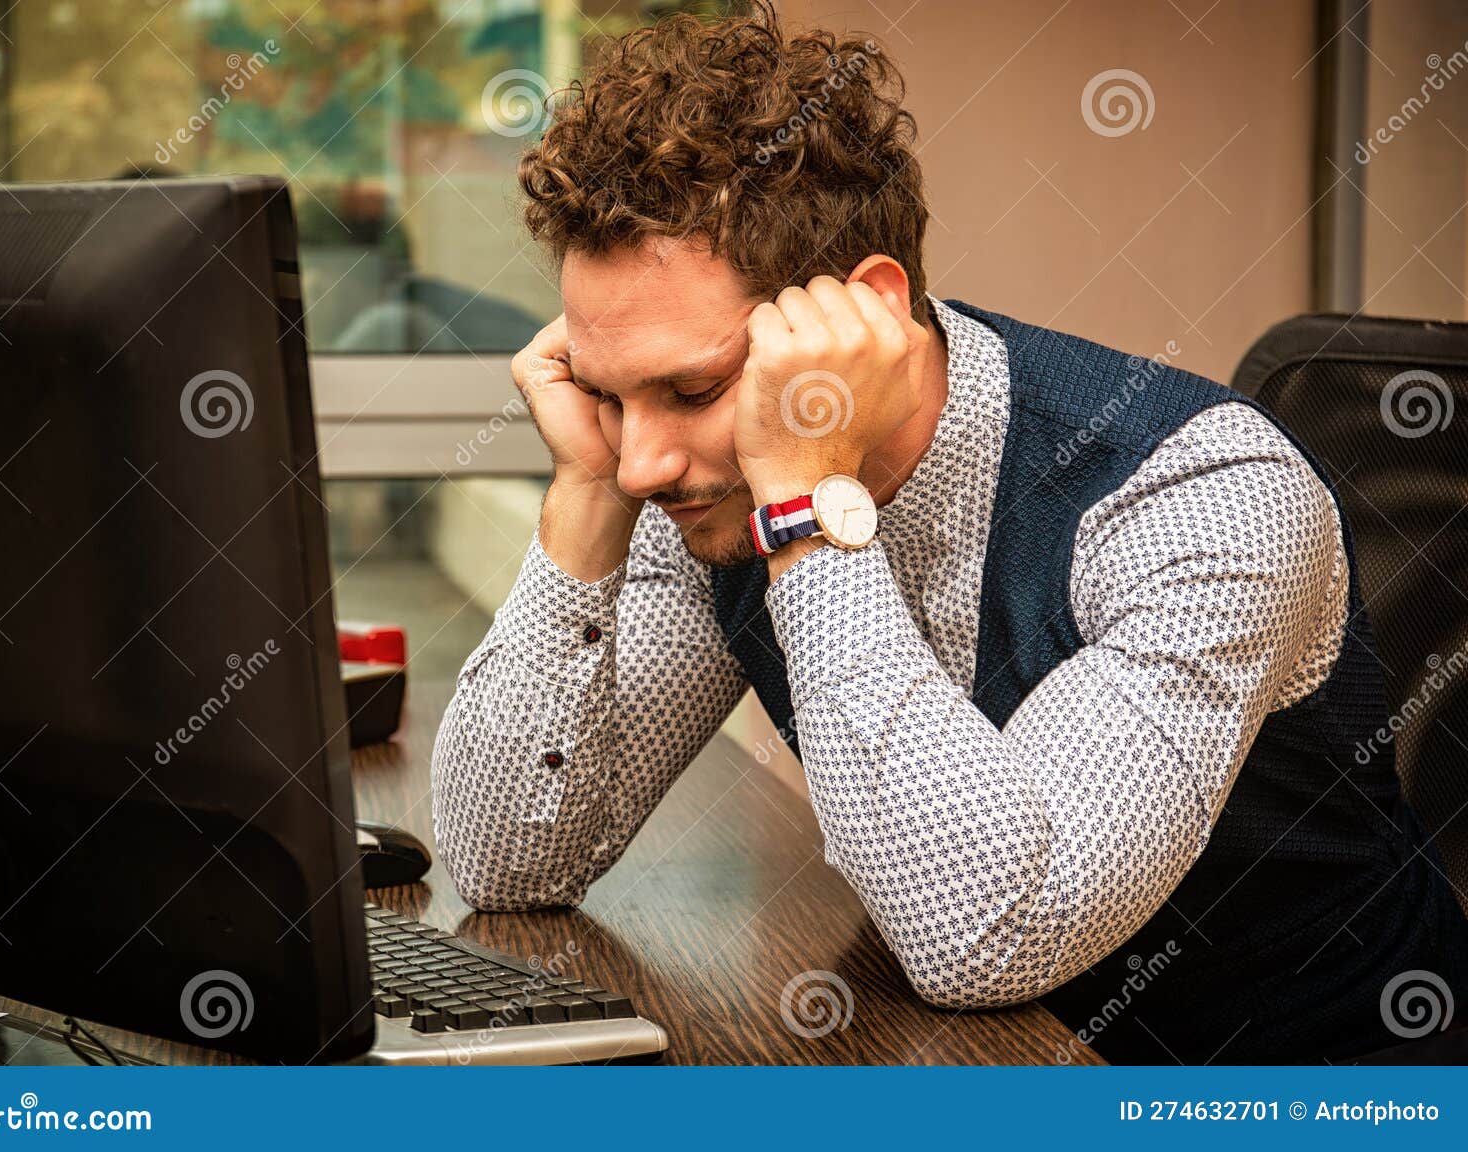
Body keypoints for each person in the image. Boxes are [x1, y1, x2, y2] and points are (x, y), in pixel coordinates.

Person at [429, 1, 1468, 1063]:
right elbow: (510, 862)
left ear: (862, 307)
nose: (646, 457)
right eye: (607, 393)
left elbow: (985, 939)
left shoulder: (1203, 490)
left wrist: (805, 501)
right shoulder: (696, 486)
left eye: (692, 386)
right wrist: (588, 488)